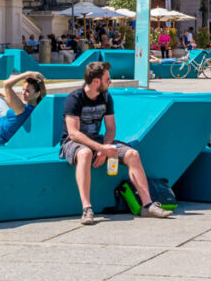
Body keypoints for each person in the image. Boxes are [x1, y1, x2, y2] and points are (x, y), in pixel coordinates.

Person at [59, 61, 172, 224]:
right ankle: (87, 208)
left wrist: (105, 147)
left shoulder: (106, 97)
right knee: (85, 153)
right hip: (72, 142)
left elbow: (110, 129)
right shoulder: (75, 98)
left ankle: (147, 205)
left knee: (132, 154)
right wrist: (100, 148)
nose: (110, 82)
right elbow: (74, 133)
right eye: (107, 79)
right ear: (96, 81)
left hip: (98, 140)